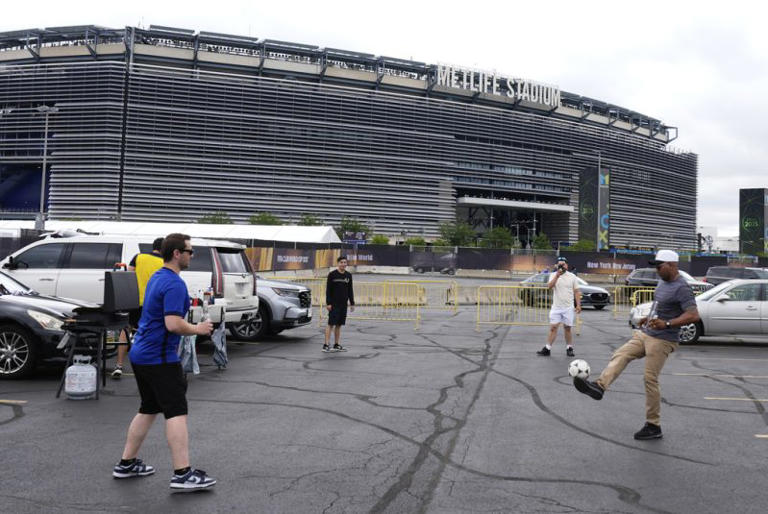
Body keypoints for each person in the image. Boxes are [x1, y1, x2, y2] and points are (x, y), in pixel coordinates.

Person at [113, 233, 216, 491]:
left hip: (141, 353)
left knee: (148, 408)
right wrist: (199, 329)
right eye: (189, 251)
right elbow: (173, 324)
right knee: (176, 411)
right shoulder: (174, 283)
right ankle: (182, 474)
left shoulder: (158, 277)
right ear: (177, 254)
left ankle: (126, 464)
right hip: (159, 358)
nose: (192, 255)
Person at [573, 249, 700, 440]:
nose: (657, 270)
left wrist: (667, 324)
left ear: (672, 265)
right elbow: (660, 306)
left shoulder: (682, 287)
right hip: (647, 332)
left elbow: (693, 315)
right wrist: (648, 318)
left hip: (664, 338)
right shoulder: (663, 282)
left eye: (659, 266)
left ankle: (653, 425)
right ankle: (599, 387)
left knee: (650, 379)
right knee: (621, 353)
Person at [112, 237, 164, 379]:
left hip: (135, 301)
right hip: (153, 304)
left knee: (126, 330)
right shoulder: (165, 263)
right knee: (150, 333)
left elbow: (128, 276)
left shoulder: (139, 257)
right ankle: (149, 367)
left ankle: (119, 365)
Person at [536, 256, 581, 357]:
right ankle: (547, 348)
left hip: (568, 307)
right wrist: (557, 276)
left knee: (567, 328)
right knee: (553, 327)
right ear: (556, 266)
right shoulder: (553, 275)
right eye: (559, 264)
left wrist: (578, 305)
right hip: (556, 307)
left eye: (563, 264)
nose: (562, 266)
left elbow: (576, 291)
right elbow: (549, 286)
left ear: (567, 265)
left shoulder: (572, 276)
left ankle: (569, 348)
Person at [324, 255, 355, 352]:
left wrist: (352, 303)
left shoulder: (348, 275)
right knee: (331, 324)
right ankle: (326, 345)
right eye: (341, 262)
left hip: (343, 304)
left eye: (345, 262)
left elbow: (350, 290)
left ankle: (336, 344)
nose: (343, 264)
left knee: (339, 324)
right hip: (334, 304)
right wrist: (328, 303)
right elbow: (328, 290)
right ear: (338, 263)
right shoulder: (332, 274)